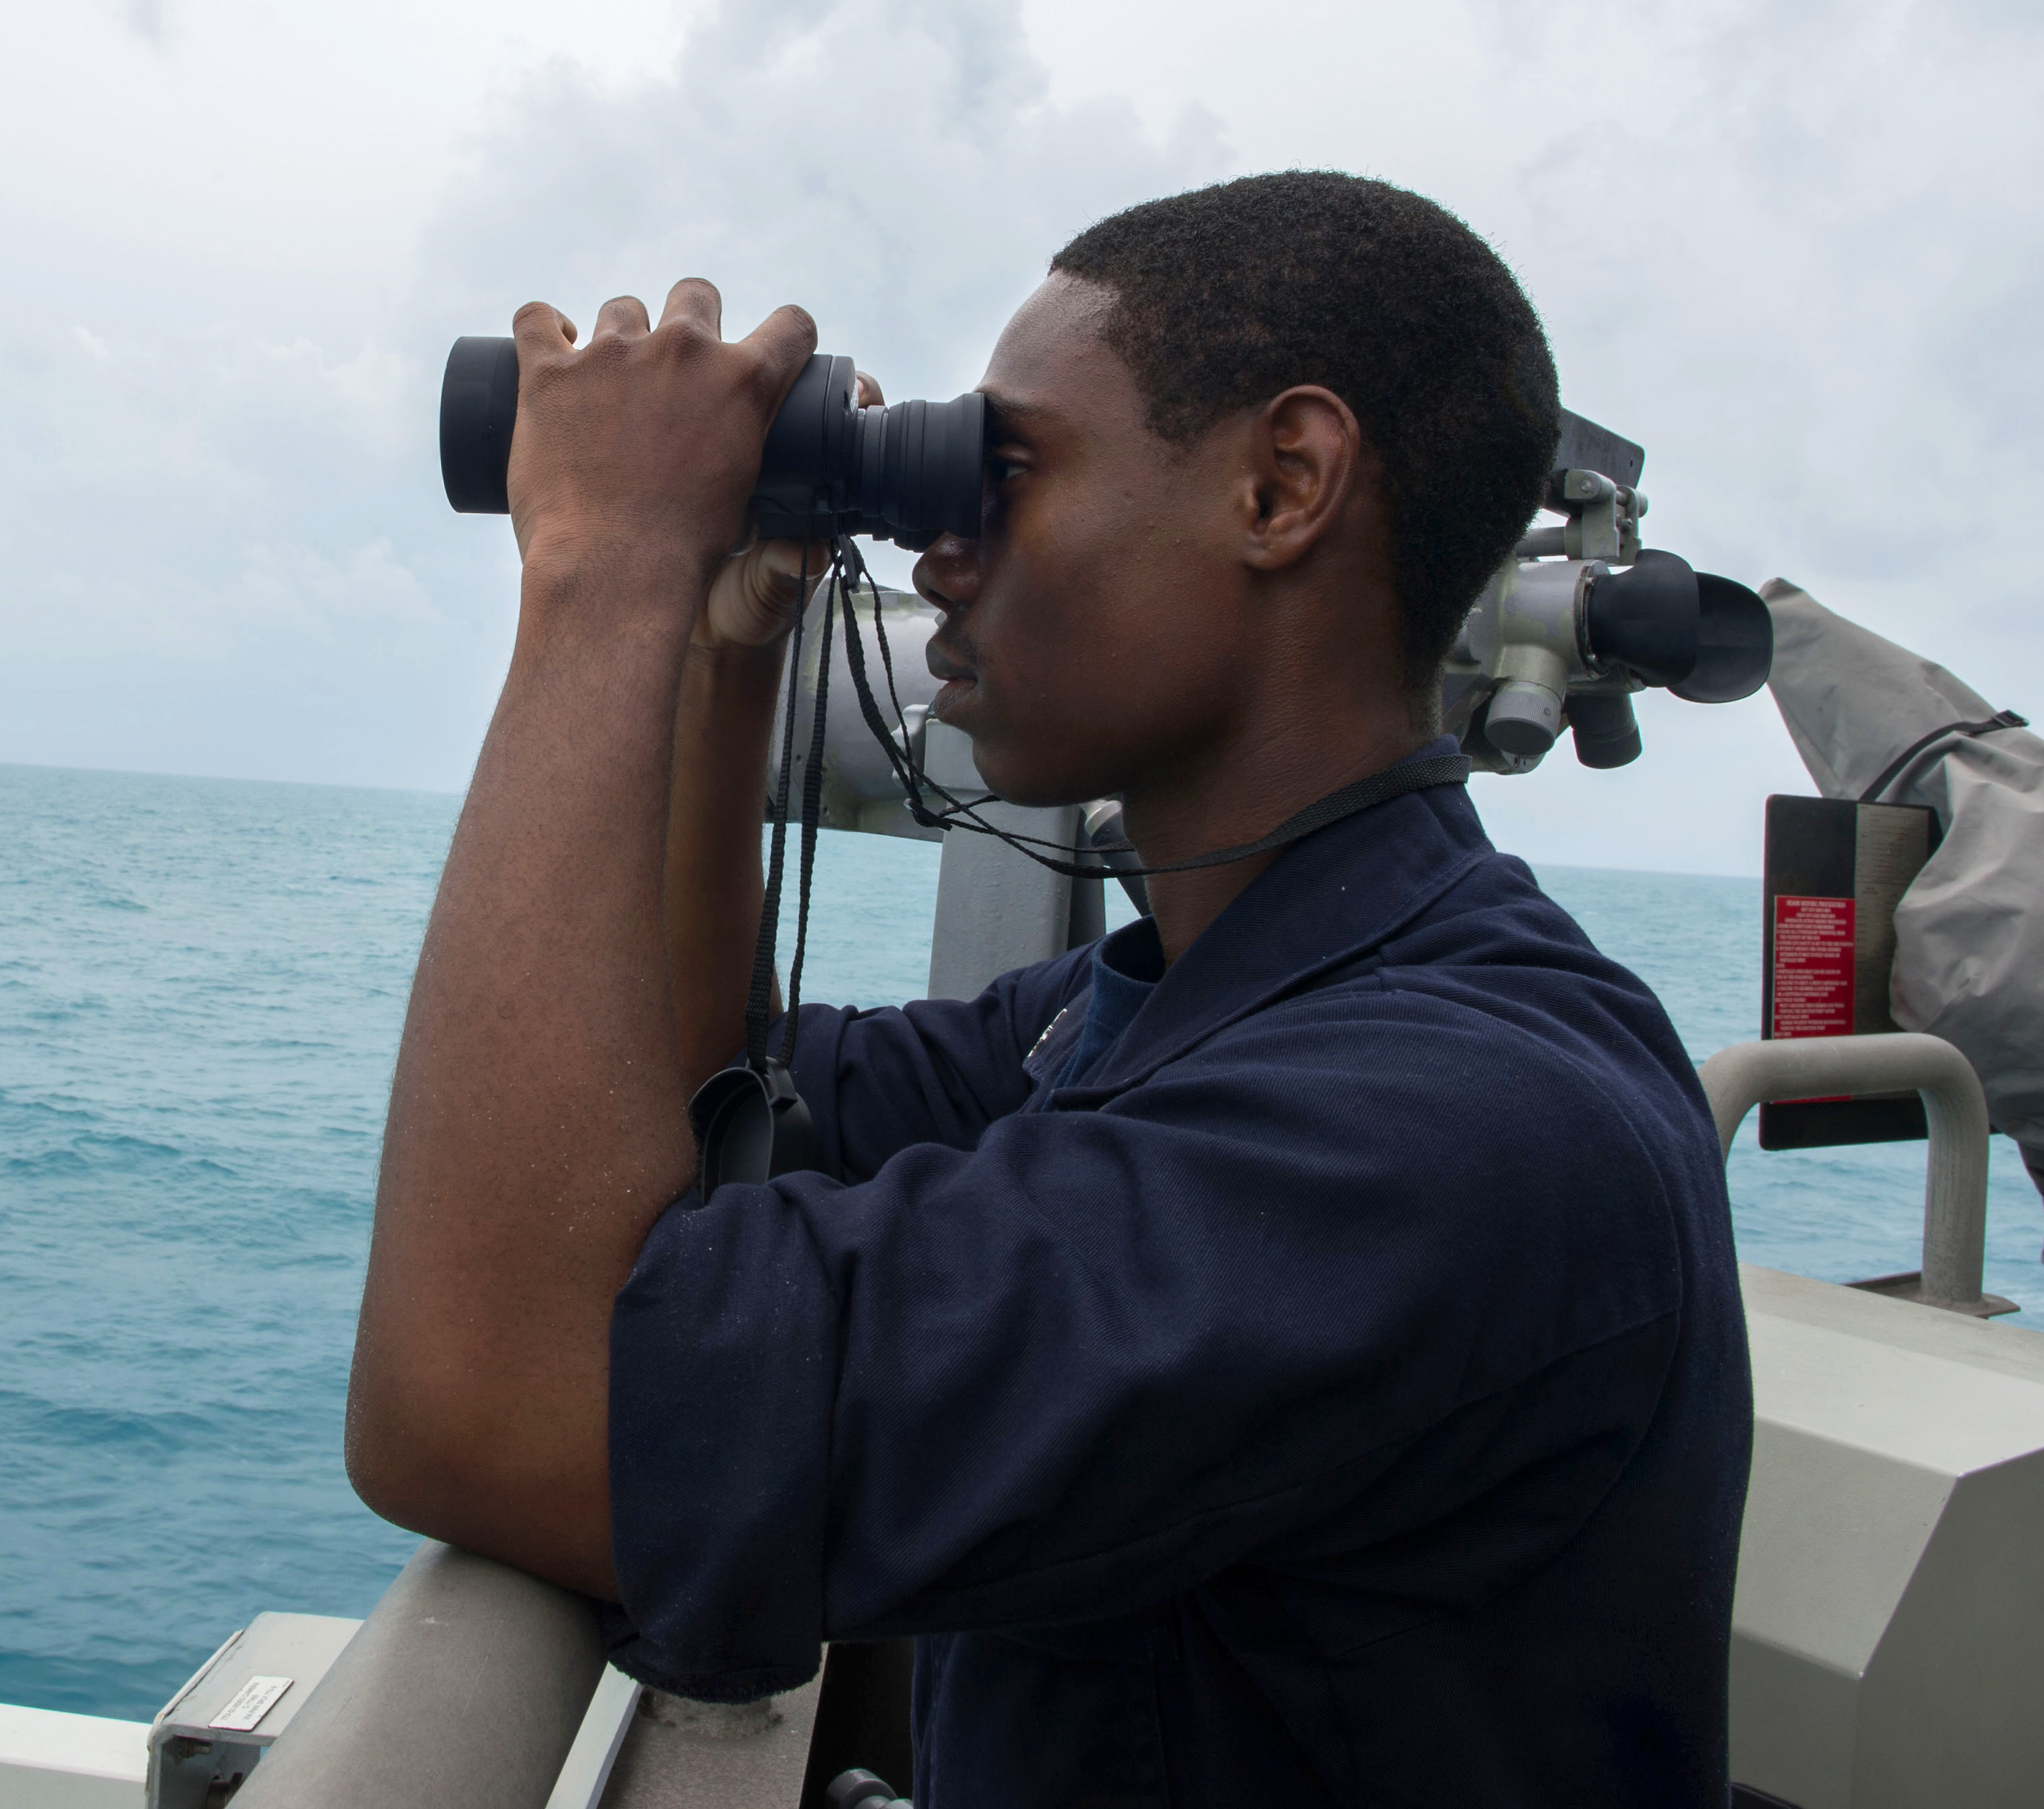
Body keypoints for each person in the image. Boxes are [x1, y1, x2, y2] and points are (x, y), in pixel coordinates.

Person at [344, 172, 1751, 1807]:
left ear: (1282, 485)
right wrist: (728, 647)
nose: (938, 556)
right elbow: (690, 1084)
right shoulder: (1172, 1002)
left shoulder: (1442, 1129)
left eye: (1006, 473)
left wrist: (601, 566)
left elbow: (487, 1399)